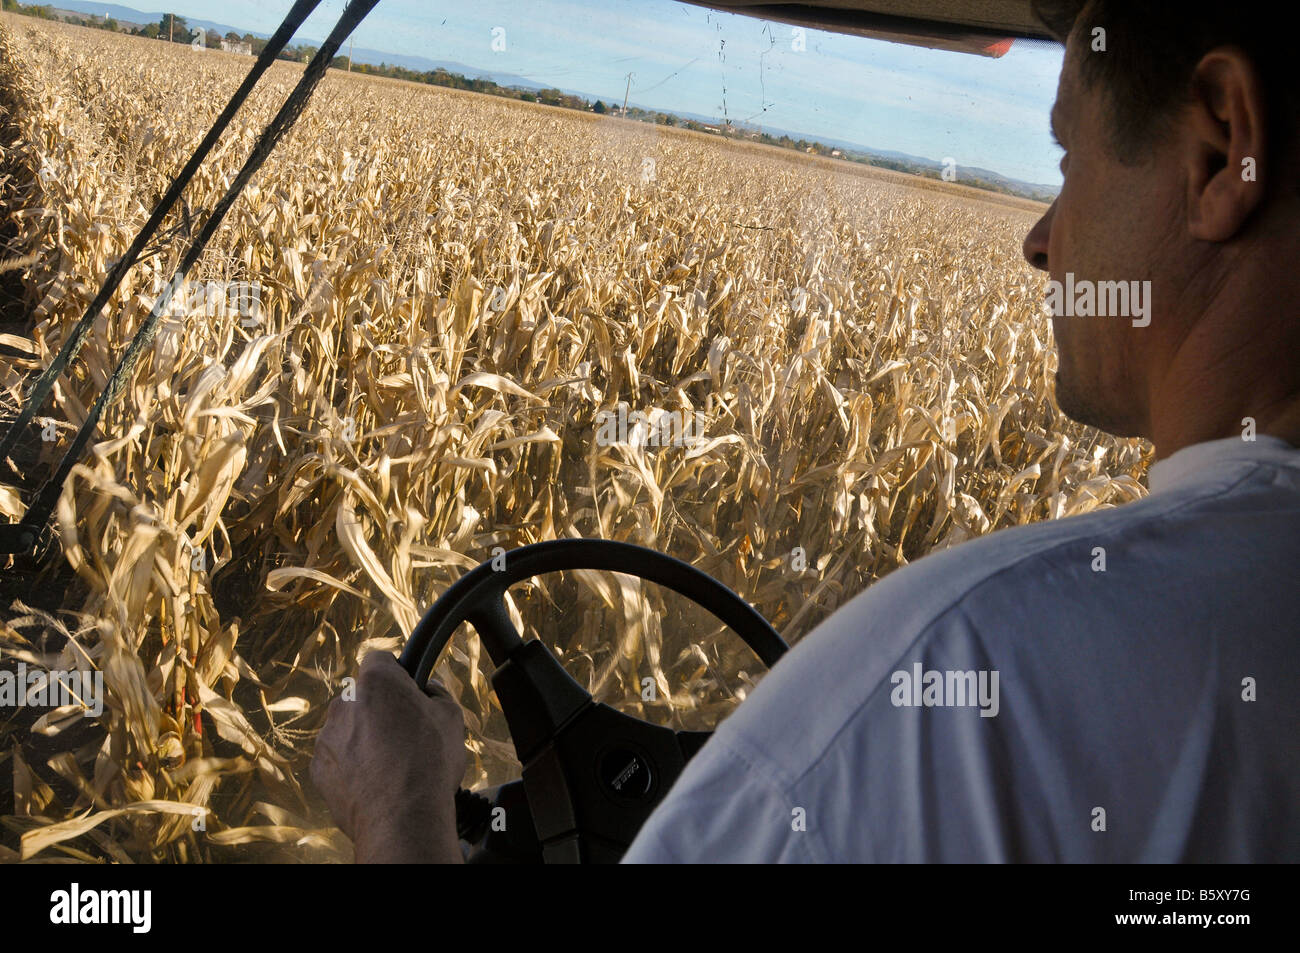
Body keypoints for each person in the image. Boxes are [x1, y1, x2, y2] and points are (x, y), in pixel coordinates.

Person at [310, 0, 1300, 862]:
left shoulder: (974, 664)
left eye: (1067, 162)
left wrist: (396, 808)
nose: (1038, 238)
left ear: (1222, 153)